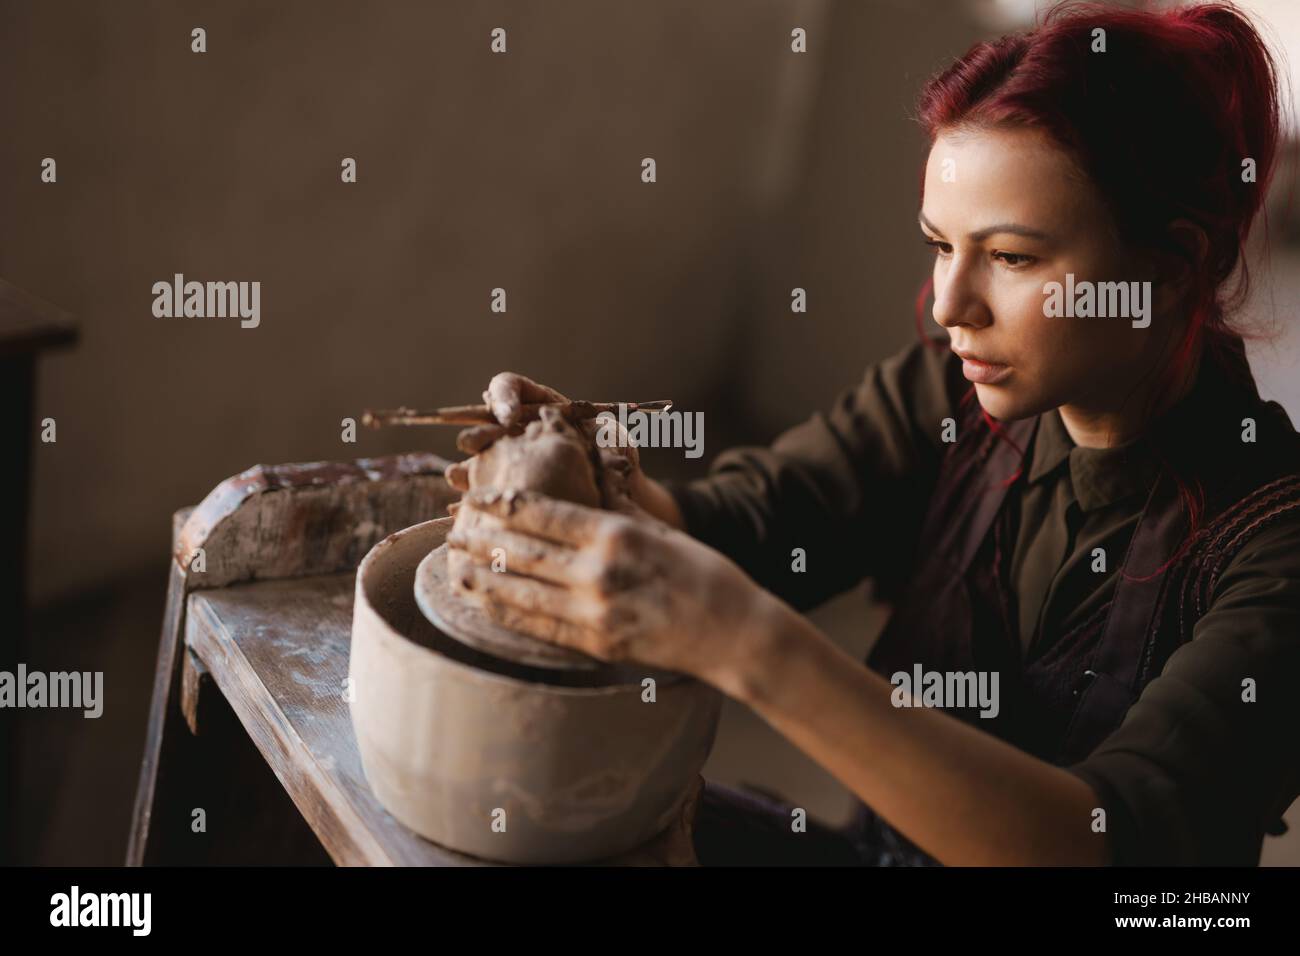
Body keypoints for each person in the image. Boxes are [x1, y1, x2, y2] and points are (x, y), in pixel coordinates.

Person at [444, 2, 1300, 866]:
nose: (949, 305)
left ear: (1173, 263)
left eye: (1011, 258)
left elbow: (1103, 848)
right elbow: (761, 521)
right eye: (940, 245)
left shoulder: (1274, 550)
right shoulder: (950, 395)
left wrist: (752, 647)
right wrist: (604, 478)